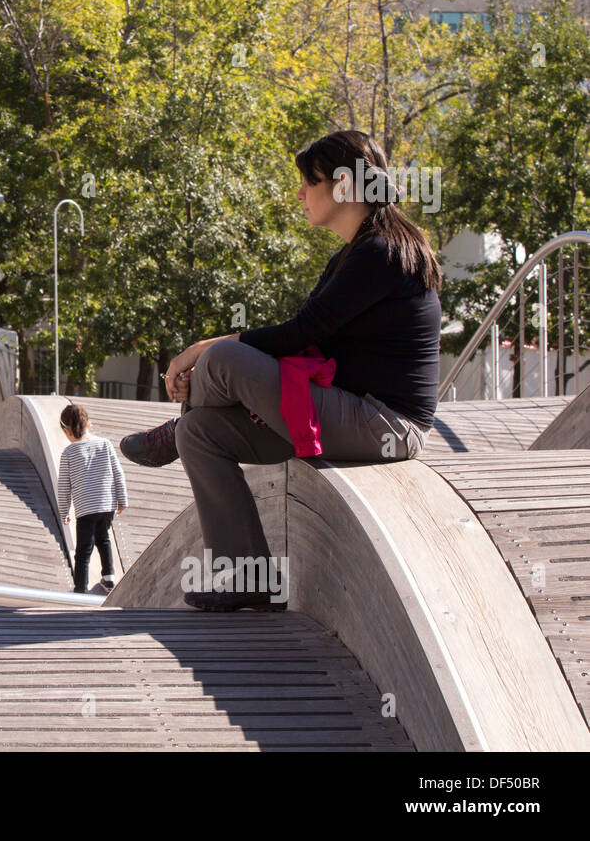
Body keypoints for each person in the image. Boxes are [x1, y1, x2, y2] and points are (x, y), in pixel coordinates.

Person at [120, 130, 442, 611]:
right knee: (202, 433)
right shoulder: (353, 253)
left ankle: (177, 422)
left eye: (308, 183)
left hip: (384, 424)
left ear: (343, 187)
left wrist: (204, 347)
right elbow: (307, 341)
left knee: (225, 358)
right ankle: (247, 578)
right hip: (343, 412)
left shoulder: (382, 253)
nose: (299, 194)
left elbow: (298, 333)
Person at [57, 403, 128, 593]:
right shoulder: (104, 444)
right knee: (103, 539)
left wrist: (63, 512)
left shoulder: (69, 453)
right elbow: (117, 473)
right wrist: (122, 499)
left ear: (66, 431)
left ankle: (80, 589)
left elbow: (64, 487)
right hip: (107, 505)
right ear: (89, 425)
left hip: (86, 509)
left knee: (83, 550)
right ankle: (109, 578)